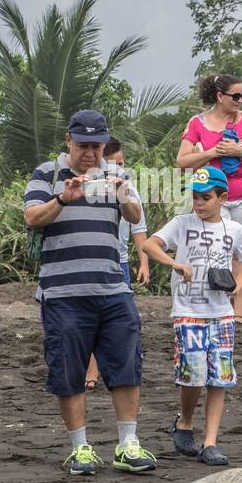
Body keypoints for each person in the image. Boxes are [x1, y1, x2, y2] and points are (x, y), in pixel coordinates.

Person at [24, 110, 155, 475]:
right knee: (69, 369)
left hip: (113, 287)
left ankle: (128, 444)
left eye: (95, 146)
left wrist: (122, 192)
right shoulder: (46, 174)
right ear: (69, 141)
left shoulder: (117, 173)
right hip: (63, 291)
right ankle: (80, 448)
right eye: (82, 145)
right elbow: (32, 218)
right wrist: (63, 198)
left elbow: (134, 216)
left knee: (127, 362)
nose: (89, 153)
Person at [144, 167, 242, 466]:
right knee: (192, 375)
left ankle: (210, 442)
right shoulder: (182, 224)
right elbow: (149, 244)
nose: (199, 203)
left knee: (219, 378)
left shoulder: (234, 230)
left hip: (221, 312)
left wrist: (238, 286)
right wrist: (175, 264)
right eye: (195, 197)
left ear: (223, 197)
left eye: (206, 198)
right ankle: (185, 421)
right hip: (188, 311)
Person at [177, 74, 242, 323]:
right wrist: (212, 152)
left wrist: (241, 151)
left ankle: (239, 311)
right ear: (220, 97)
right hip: (213, 197)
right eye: (235, 96)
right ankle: (217, 306)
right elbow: (182, 162)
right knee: (216, 249)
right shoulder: (198, 123)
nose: (241, 100)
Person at [84, 137, 148, 391]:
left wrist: (143, 261)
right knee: (88, 315)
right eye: (116, 164)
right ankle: (91, 370)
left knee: (124, 317)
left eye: (123, 163)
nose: (121, 169)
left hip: (119, 261)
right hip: (94, 261)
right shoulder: (88, 187)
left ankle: (127, 361)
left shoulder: (127, 185)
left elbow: (138, 226)